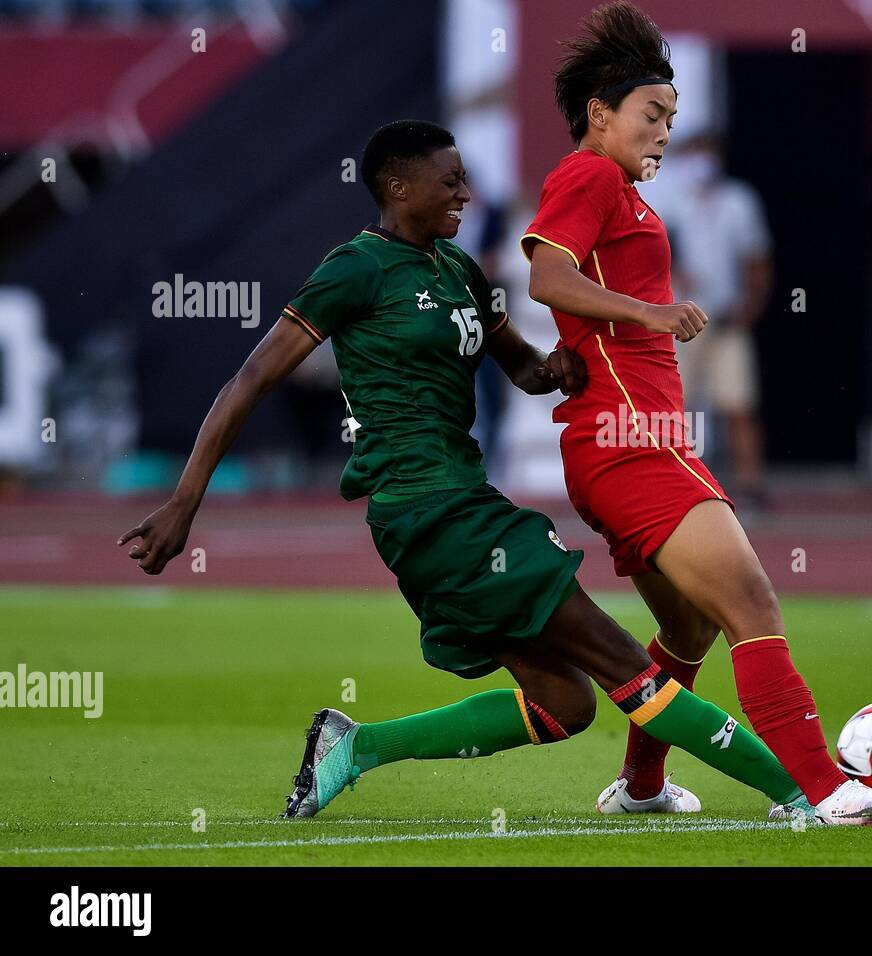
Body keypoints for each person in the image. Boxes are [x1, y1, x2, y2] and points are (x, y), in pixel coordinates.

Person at [117, 120, 821, 821]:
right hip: (426, 510)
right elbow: (250, 378)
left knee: (565, 705)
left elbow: (522, 366)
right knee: (620, 662)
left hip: (463, 501)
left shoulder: (459, 270)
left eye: (465, 179)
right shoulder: (355, 268)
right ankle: (799, 790)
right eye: (449, 180)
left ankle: (355, 746)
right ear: (397, 186)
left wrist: (558, 371)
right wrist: (185, 501)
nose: (466, 192)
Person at [521, 2, 872, 825]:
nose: (664, 132)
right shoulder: (589, 175)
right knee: (754, 606)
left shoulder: (624, 192)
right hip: (631, 446)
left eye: (672, 117)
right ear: (600, 113)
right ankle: (827, 790)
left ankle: (640, 786)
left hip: (638, 443)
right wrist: (651, 313)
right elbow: (546, 279)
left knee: (691, 631)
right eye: (651, 114)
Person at [654, 132, 773, 508]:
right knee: (672, 406)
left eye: (707, 152)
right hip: (681, 319)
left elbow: (757, 258)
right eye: (695, 153)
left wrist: (752, 306)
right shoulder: (671, 200)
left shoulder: (739, 201)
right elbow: (652, 250)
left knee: (739, 403)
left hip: (725, 319)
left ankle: (750, 486)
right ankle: (672, 486)